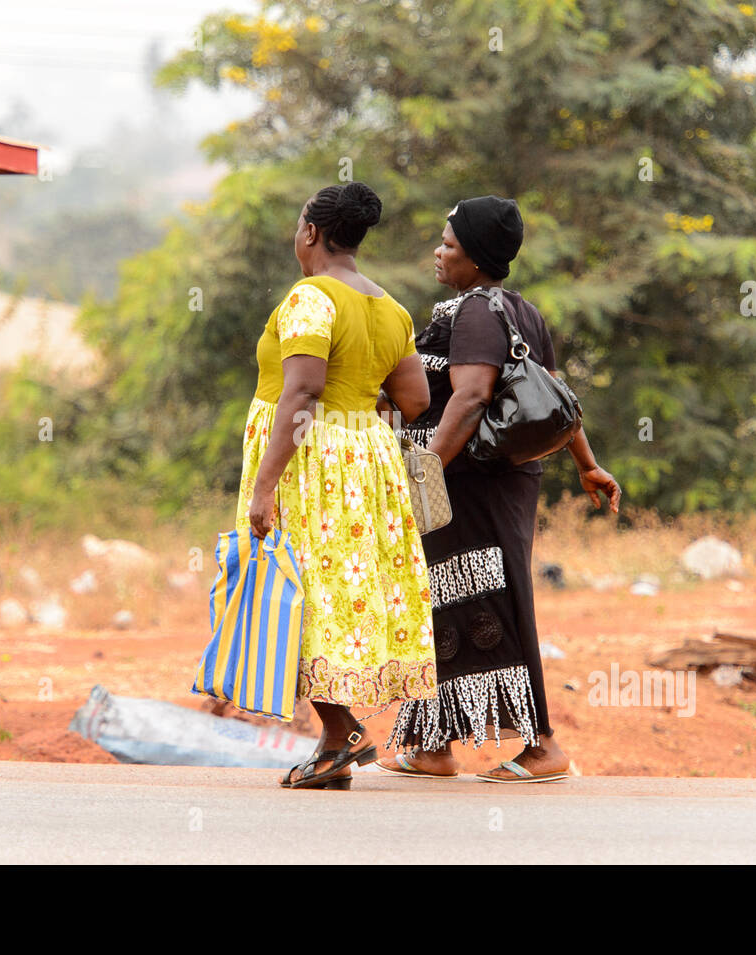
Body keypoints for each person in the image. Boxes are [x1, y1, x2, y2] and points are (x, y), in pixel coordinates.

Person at [382, 195, 621, 783]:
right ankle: (433, 744)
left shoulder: (477, 314)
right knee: (452, 602)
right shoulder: (521, 311)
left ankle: (543, 747)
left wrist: (424, 473)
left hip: (471, 485)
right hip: (488, 482)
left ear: (478, 257)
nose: (438, 252)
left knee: (493, 602)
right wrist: (587, 465)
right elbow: (557, 399)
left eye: (450, 245)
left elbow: (469, 400)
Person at [241, 181, 435, 790]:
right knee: (336, 589)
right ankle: (335, 740)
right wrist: (360, 401)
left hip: (313, 463)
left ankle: (341, 731)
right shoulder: (391, 308)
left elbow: (300, 392)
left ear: (311, 234)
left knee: (299, 588)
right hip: (366, 460)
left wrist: (264, 486)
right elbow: (415, 399)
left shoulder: (310, 298)